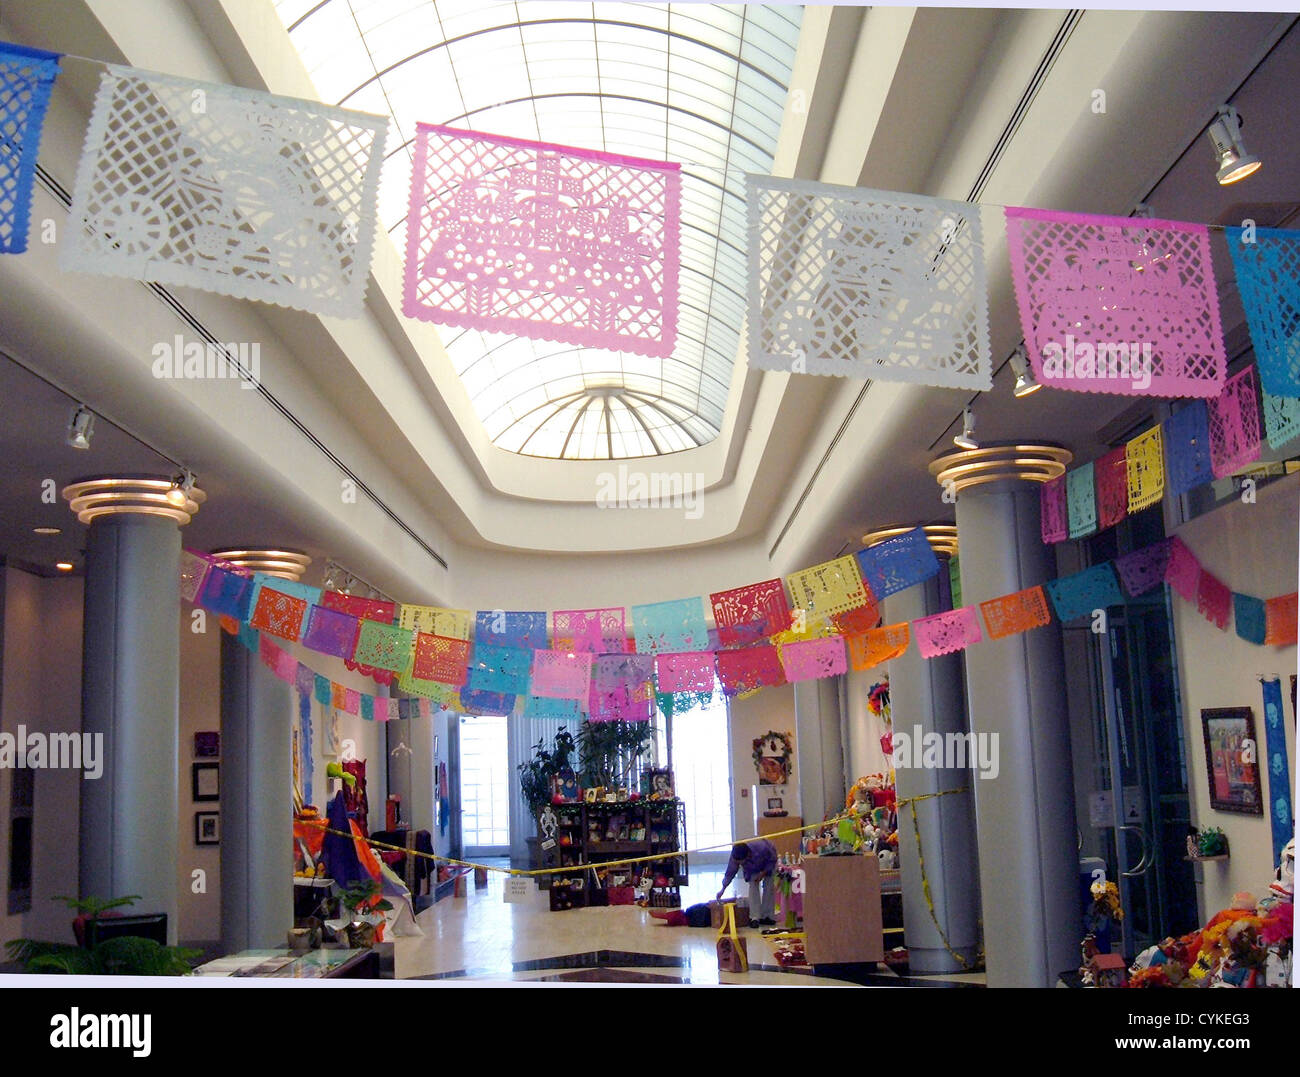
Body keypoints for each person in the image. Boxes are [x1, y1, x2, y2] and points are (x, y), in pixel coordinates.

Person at [717, 839, 777, 927]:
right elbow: (730, 872)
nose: (740, 864)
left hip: (768, 861)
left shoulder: (763, 848)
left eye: (742, 862)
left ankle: (767, 916)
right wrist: (723, 889)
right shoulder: (735, 856)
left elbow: (772, 860)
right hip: (752, 868)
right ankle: (754, 917)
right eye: (738, 863)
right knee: (753, 886)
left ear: (748, 855)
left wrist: (763, 873)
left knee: (769, 887)